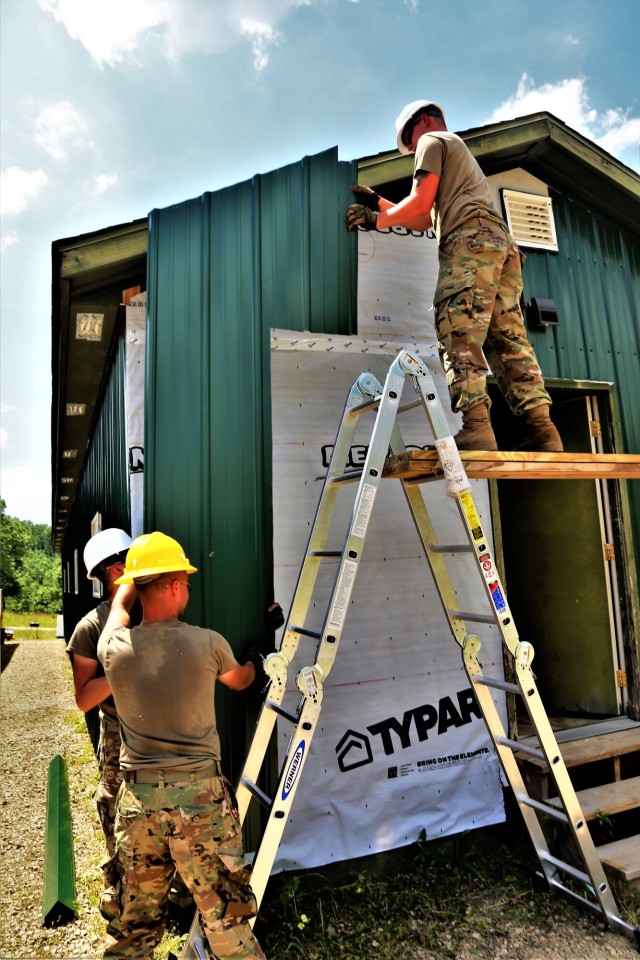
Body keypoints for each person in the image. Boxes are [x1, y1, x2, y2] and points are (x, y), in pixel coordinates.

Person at [345, 99, 563, 453]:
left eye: (409, 140)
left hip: (470, 240)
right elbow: (421, 218)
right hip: (500, 244)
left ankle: (476, 427)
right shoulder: (458, 156)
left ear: (423, 122)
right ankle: (543, 429)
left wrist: (375, 221)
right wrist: (379, 204)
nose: (411, 149)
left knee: (458, 328)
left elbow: (418, 204)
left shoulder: (433, 141)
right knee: (506, 339)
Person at [97, 531, 268, 960]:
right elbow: (242, 680)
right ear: (175, 586)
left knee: (132, 929)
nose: (188, 590)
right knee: (226, 922)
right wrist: (256, 658)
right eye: (186, 582)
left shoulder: (113, 648)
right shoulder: (208, 643)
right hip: (200, 801)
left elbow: (118, 611)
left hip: (138, 805)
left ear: (137, 587)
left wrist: (132, 582)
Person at [66, 527, 133, 923]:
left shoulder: (155, 611)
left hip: (158, 727)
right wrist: (126, 668)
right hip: (117, 735)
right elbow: (83, 698)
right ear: (117, 570)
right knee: (115, 806)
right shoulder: (90, 628)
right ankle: (119, 889)